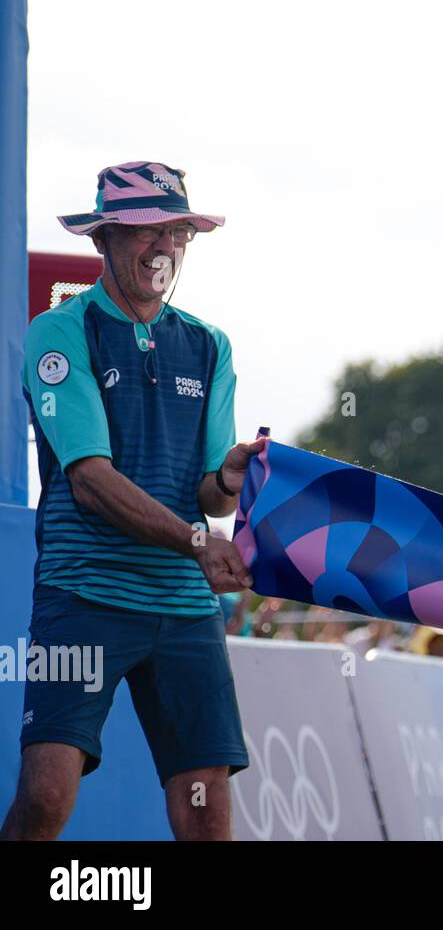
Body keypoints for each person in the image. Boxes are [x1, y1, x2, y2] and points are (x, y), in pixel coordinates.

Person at [1, 162, 263, 841]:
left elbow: (208, 491)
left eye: (178, 231)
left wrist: (231, 476)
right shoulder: (59, 332)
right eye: (147, 231)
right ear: (104, 240)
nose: (164, 247)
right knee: (44, 798)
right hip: (84, 594)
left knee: (205, 814)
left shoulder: (209, 345)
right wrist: (200, 542)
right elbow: (90, 479)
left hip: (182, 607)